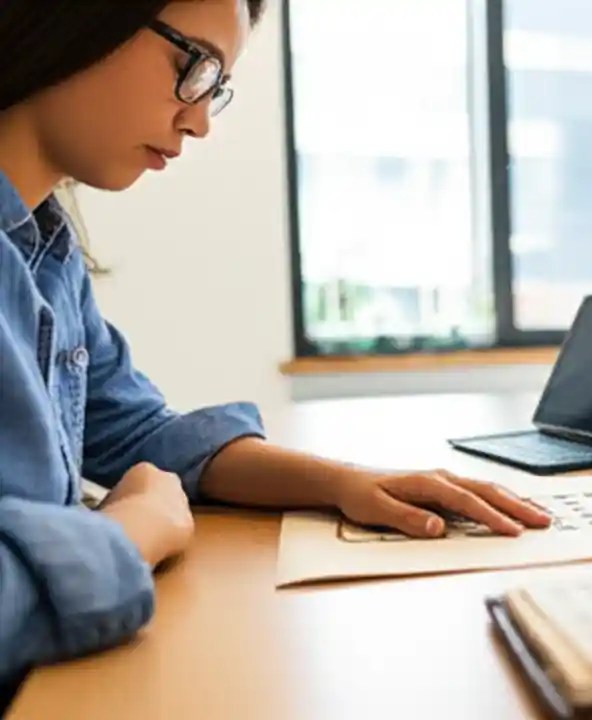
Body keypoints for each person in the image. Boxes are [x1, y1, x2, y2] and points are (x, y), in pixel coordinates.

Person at [0, 0, 551, 704]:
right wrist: (134, 531)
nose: (198, 120)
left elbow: (136, 431)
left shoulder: (49, 253)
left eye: (214, 88)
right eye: (193, 66)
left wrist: (345, 483)